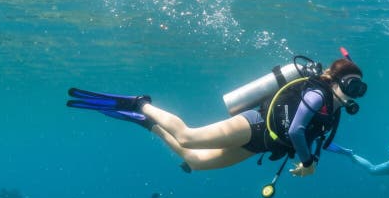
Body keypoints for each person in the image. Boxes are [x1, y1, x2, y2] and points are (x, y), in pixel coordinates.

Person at [66, 56, 367, 178]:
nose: (355, 92)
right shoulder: (317, 95)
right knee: (188, 137)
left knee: (196, 162)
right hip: (255, 124)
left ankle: (147, 123)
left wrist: (308, 161)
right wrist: (308, 163)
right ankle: (140, 104)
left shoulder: (333, 109)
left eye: (359, 88)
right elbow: (298, 129)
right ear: (336, 81)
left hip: (262, 144)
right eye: (352, 85)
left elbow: (310, 136)